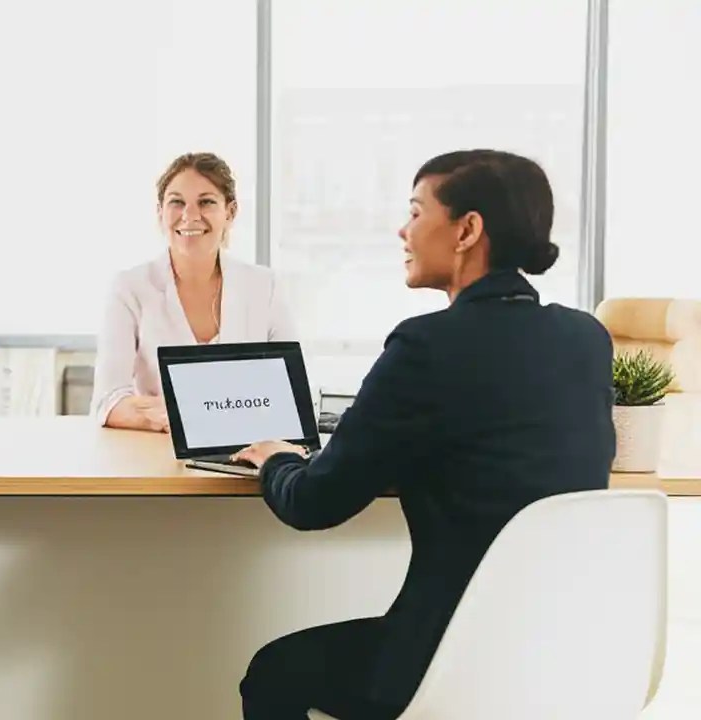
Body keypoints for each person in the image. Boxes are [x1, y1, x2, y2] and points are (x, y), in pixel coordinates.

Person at [230, 149, 615, 719]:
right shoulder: (586, 338)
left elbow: (313, 502)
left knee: (274, 673)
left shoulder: (425, 346)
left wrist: (277, 459)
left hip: (448, 657)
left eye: (415, 212)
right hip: (563, 650)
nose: (402, 230)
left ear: (467, 230)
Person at [90, 152, 296, 431]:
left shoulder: (265, 286)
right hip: (156, 451)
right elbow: (108, 401)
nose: (190, 216)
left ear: (230, 212)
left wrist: (187, 410)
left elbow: (289, 391)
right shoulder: (130, 288)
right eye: (177, 202)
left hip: (247, 450)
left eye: (206, 202)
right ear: (160, 212)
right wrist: (187, 417)